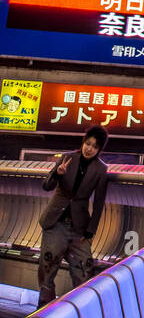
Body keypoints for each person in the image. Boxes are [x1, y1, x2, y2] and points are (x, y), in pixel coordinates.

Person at [37, 125, 109, 307]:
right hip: (55, 223)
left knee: (84, 270)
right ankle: (45, 305)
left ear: (99, 149)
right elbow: (47, 185)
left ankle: (79, 309)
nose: (89, 148)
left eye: (94, 146)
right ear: (83, 142)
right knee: (47, 265)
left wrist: (91, 231)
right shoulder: (67, 158)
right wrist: (57, 174)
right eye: (88, 143)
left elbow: (99, 203)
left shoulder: (101, 170)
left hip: (79, 228)